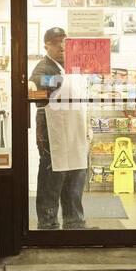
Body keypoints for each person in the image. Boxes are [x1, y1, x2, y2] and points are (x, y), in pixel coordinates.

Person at [30, 27, 90, 230]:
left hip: (76, 129)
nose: (62, 47)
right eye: (57, 43)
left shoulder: (75, 66)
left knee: (76, 175)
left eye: (65, 42)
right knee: (52, 176)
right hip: (51, 130)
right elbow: (36, 83)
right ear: (46, 45)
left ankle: (75, 221)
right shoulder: (43, 67)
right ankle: (47, 224)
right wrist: (58, 80)